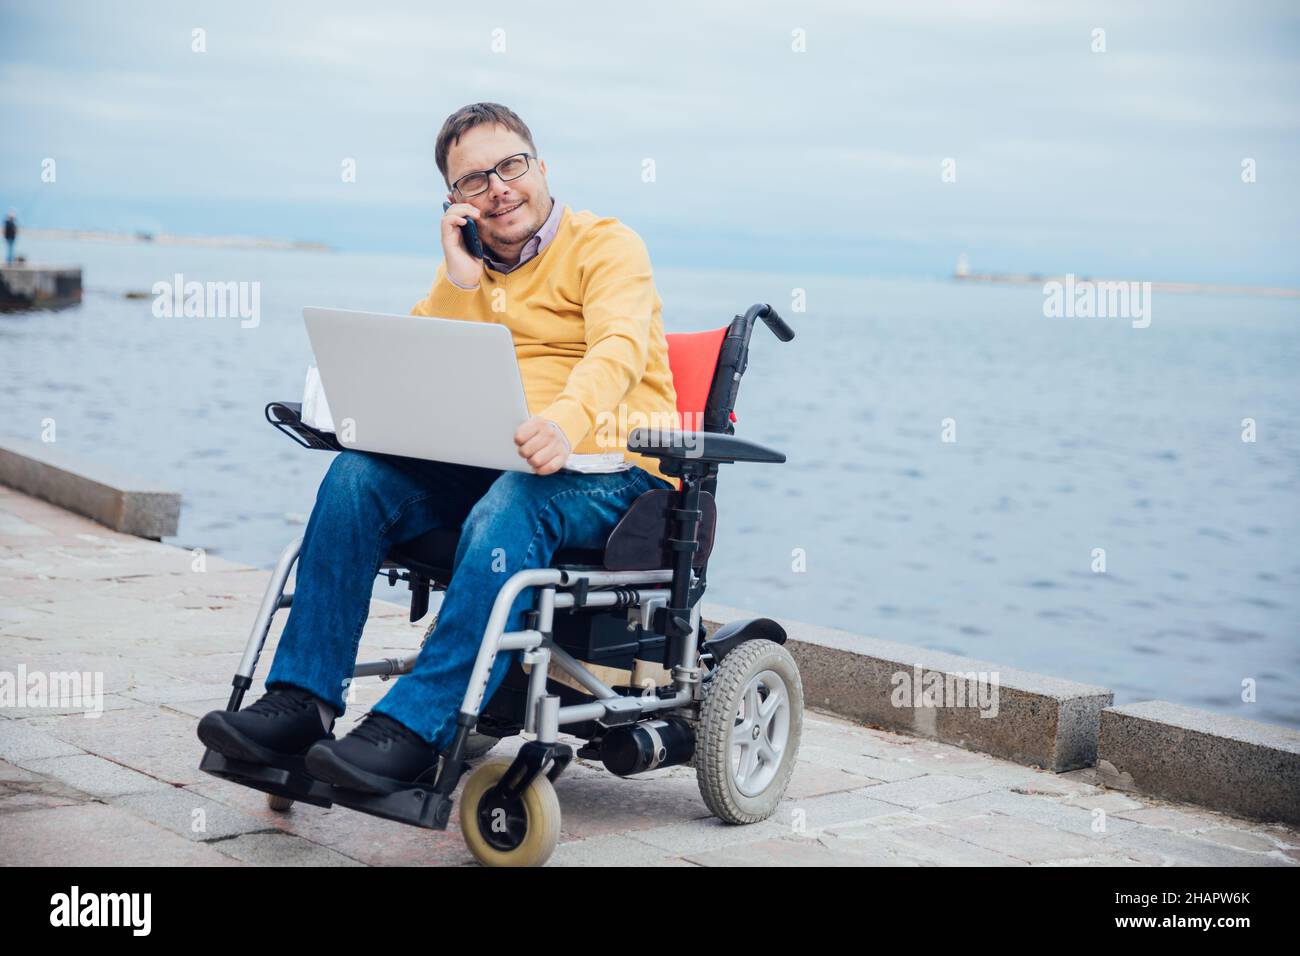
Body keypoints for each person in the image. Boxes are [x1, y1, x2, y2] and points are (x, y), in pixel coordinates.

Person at [197, 103, 680, 793]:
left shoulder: (608, 245)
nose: (498, 188)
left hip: (613, 470)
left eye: (510, 166)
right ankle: (303, 701)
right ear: (454, 202)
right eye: (474, 180)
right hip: (497, 461)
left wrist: (565, 422)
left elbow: (619, 349)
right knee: (355, 477)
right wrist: (460, 280)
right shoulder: (467, 271)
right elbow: (420, 366)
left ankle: (419, 726)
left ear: (541, 167)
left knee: (515, 501)